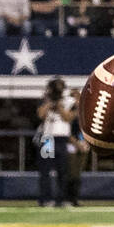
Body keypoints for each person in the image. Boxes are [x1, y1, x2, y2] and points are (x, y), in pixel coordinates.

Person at [35, 77, 72, 207]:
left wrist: (60, 106)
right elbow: (40, 115)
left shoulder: (68, 101)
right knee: (45, 170)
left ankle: (61, 199)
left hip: (62, 138)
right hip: (47, 139)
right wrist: (49, 103)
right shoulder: (44, 100)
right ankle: (45, 199)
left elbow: (68, 118)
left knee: (62, 170)